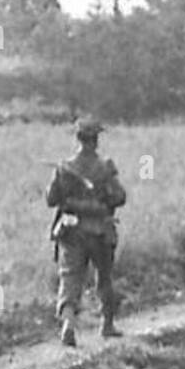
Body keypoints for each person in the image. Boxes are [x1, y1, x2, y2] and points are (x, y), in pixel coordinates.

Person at [46, 117, 127, 345]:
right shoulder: (105, 167)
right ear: (96, 140)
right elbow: (120, 197)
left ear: (78, 138)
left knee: (70, 278)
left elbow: (51, 199)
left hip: (71, 230)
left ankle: (68, 324)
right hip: (101, 230)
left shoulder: (65, 167)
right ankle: (107, 324)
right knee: (104, 278)